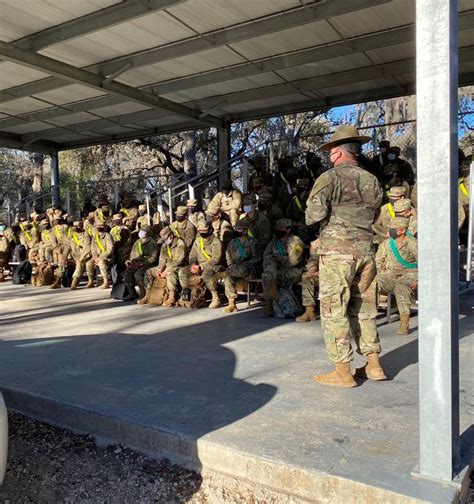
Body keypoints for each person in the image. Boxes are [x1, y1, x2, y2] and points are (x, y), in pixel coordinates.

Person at [305, 124, 385, 388]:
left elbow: (313, 215)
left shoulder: (329, 178)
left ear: (338, 153)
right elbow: (374, 215)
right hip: (366, 252)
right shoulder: (372, 179)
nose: (329, 156)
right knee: (364, 309)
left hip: (338, 254)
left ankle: (343, 371)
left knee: (333, 309)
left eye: (330, 152)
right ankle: (373, 365)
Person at [376, 217, 418, 335]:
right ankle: (370, 316)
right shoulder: (386, 244)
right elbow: (378, 261)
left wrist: (418, 279)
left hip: (409, 274)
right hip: (391, 274)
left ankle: (404, 322)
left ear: (402, 230)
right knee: (374, 283)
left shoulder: (412, 243)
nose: (391, 231)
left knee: (401, 287)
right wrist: (378, 272)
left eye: (394, 229)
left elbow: (423, 263)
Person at [261, 218, 305, 317]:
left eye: (280, 228)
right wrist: (274, 261)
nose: (278, 230)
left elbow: (294, 261)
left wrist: (277, 259)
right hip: (277, 269)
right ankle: (270, 305)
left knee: (271, 277)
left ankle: (270, 306)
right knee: (267, 275)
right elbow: (266, 255)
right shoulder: (274, 241)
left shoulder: (296, 241)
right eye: (277, 228)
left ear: (288, 230)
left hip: (294, 270)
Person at [178, 221, 223, 309]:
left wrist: (201, 266)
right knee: (182, 272)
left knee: (207, 273)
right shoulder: (198, 241)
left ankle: (215, 297)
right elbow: (192, 255)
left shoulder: (216, 242)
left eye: (204, 231)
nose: (202, 233)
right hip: (198, 265)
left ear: (210, 230)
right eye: (200, 231)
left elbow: (216, 259)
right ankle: (190, 293)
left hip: (214, 266)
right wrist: (193, 265)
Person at [141, 227, 187, 306]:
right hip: (167, 266)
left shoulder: (180, 243)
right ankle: (147, 295)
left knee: (170, 273)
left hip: (178, 267)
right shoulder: (165, 246)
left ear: (171, 235)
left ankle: (172, 296)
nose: (165, 241)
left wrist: (167, 270)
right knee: (149, 272)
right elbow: (162, 259)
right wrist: (159, 269)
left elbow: (180, 260)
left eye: (166, 238)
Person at [222, 220, 261, 313]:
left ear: (245, 231)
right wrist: (231, 265)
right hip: (235, 269)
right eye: (236, 229)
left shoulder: (252, 242)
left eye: (239, 229)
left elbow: (257, 258)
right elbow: (228, 256)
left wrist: (245, 264)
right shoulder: (232, 242)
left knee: (234, 271)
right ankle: (232, 303)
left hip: (250, 269)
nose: (237, 231)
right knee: (228, 278)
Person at [123, 225, 158, 301]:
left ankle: (143, 294)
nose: (141, 233)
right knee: (127, 273)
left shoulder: (152, 243)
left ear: (148, 233)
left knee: (138, 274)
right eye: (141, 231)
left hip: (148, 264)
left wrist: (141, 264)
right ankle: (132, 294)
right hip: (137, 263)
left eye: (143, 231)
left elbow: (153, 258)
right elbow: (132, 253)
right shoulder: (138, 242)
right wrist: (130, 261)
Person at [239, 193, 271, 259]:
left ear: (254, 204)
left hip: (257, 252)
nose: (245, 206)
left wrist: (251, 245)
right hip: (243, 249)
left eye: (247, 204)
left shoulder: (262, 220)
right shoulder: (242, 220)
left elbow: (264, 240)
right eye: (244, 204)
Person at [85, 220, 114, 289]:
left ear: (104, 227)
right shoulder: (95, 237)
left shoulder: (107, 236)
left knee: (101, 262)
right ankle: (90, 280)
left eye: (101, 226)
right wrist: (95, 258)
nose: (99, 227)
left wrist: (100, 258)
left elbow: (110, 249)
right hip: (97, 257)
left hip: (108, 257)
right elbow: (93, 249)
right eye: (98, 225)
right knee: (88, 263)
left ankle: (106, 281)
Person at [296, 238, 319, 323]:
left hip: (339, 273)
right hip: (322, 274)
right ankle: (310, 311)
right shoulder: (321, 241)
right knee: (307, 276)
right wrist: (312, 268)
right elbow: (313, 259)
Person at [69, 220, 91, 290]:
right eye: (74, 226)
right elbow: (70, 247)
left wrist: (81, 258)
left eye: (77, 226)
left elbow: (87, 248)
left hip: (86, 256)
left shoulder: (86, 235)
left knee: (80, 263)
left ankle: (74, 280)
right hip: (75, 256)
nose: (76, 228)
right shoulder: (73, 235)